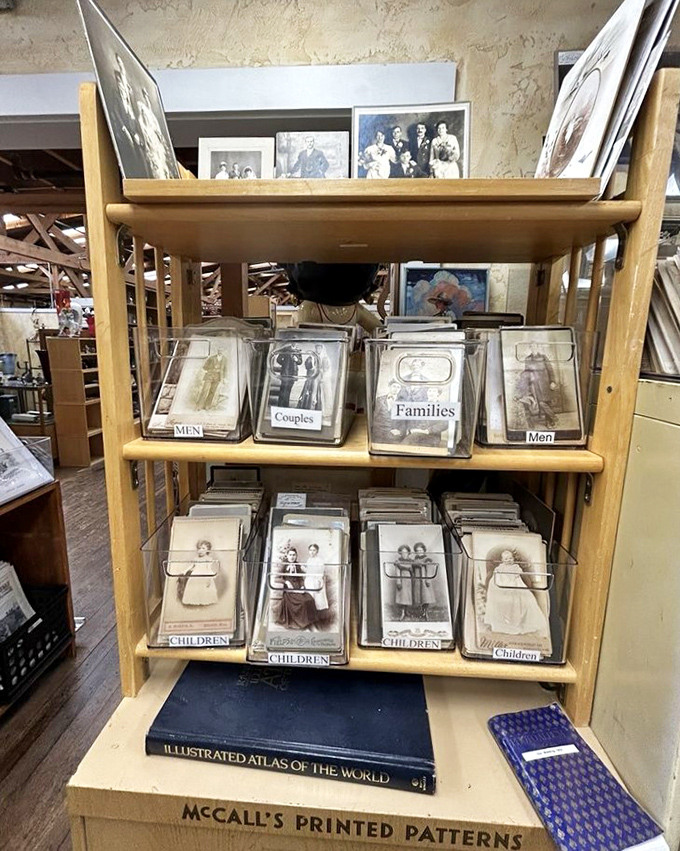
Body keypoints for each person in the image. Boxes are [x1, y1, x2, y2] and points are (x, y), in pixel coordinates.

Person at [483, 550, 549, 636]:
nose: (509, 560)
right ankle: (505, 622)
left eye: (511, 558)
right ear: (502, 560)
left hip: (515, 584)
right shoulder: (499, 568)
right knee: (501, 593)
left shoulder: (515, 567)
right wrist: (503, 581)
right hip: (503, 584)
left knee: (527, 598)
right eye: (506, 559)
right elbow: (497, 578)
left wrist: (514, 577)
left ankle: (519, 621)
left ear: (513, 559)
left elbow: (518, 575)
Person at [274, 547, 320, 630]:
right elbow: (276, 578)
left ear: (296, 556)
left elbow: (301, 578)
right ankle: (301, 623)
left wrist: (302, 586)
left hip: (299, 587)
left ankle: (310, 622)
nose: (292, 557)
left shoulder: (298, 565)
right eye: (290, 555)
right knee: (302, 602)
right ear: (287, 555)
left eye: (294, 555)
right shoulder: (283, 565)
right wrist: (286, 582)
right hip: (289, 590)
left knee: (310, 599)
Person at [515, 342, 558, 428]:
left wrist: (553, 381)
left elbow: (550, 370)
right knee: (541, 402)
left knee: (548, 403)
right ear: (530, 348)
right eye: (531, 346)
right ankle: (553, 417)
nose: (533, 348)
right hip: (536, 385)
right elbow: (527, 372)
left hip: (546, 383)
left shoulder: (543, 357)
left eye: (535, 346)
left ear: (538, 347)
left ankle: (549, 422)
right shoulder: (528, 359)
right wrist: (521, 376)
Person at [180, 540, 219, 606]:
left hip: (204, 574)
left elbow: (208, 569)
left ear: (208, 550)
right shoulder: (196, 558)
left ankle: (204, 602)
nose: (201, 550)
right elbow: (191, 566)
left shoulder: (208, 559)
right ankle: (193, 601)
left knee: (203, 589)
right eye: (199, 548)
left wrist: (209, 579)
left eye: (203, 548)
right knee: (194, 588)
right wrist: (184, 571)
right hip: (195, 574)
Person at [410, 542, 437, 619]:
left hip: (424, 580)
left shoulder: (426, 559)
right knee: (419, 596)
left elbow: (429, 570)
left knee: (426, 597)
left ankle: (426, 612)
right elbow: (412, 569)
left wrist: (427, 580)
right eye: (417, 551)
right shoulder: (415, 560)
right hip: (417, 580)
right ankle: (421, 612)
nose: (419, 552)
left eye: (421, 550)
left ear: (424, 551)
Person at [274, 342, 302, 407]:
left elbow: (300, 362)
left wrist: (297, 360)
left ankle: (286, 405)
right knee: (283, 389)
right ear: (291, 342)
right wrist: (284, 364)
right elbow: (278, 359)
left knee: (288, 389)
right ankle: (280, 405)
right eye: (293, 341)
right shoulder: (286, 349)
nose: (295, 343)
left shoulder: (298, 351)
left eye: (296, 342)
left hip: (293, 373)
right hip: (285, 372)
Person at [304, 544, 329, 613]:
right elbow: (309, 571)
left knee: (317, 599)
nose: (312, 552)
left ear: (317, 551)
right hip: (309, 581)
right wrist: (305, 570)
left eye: (314, 550)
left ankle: (318, 615)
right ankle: (312, 613)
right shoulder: (309, 560)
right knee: (310, 597)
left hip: (316, 581)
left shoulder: (319, 560)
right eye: (310, 550)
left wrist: (319, 582)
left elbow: (320, 572)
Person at [393, 544, 413, 621]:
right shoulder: (398, 562)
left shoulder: (411, 561)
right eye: (402, 553)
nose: (404, 554)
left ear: (408, 553)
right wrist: (399, 582)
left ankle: (406, 611)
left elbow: (412, 571)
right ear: (400, 553)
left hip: (409, 581)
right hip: (402, 580)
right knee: (402, 597)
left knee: (407, 596)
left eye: (406, 552)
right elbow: (397, 572)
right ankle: (402, 613)